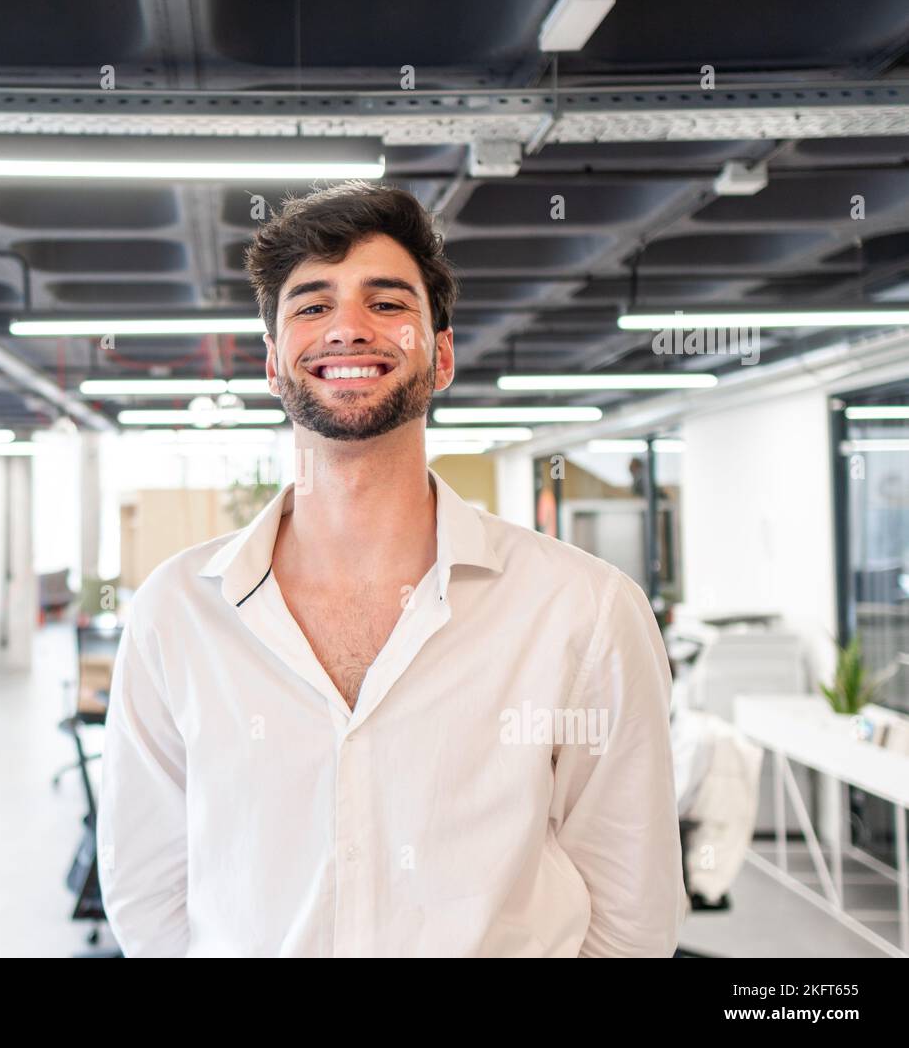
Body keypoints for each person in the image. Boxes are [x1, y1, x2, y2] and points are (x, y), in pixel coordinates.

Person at [96, 181, 687, 957]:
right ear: (274, 364)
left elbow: (632, 915)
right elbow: (149, 895)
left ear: (439, 355)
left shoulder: (584, 611)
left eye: (386, 303)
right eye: (311, 305)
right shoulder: (177, 611)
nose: (346, 328)